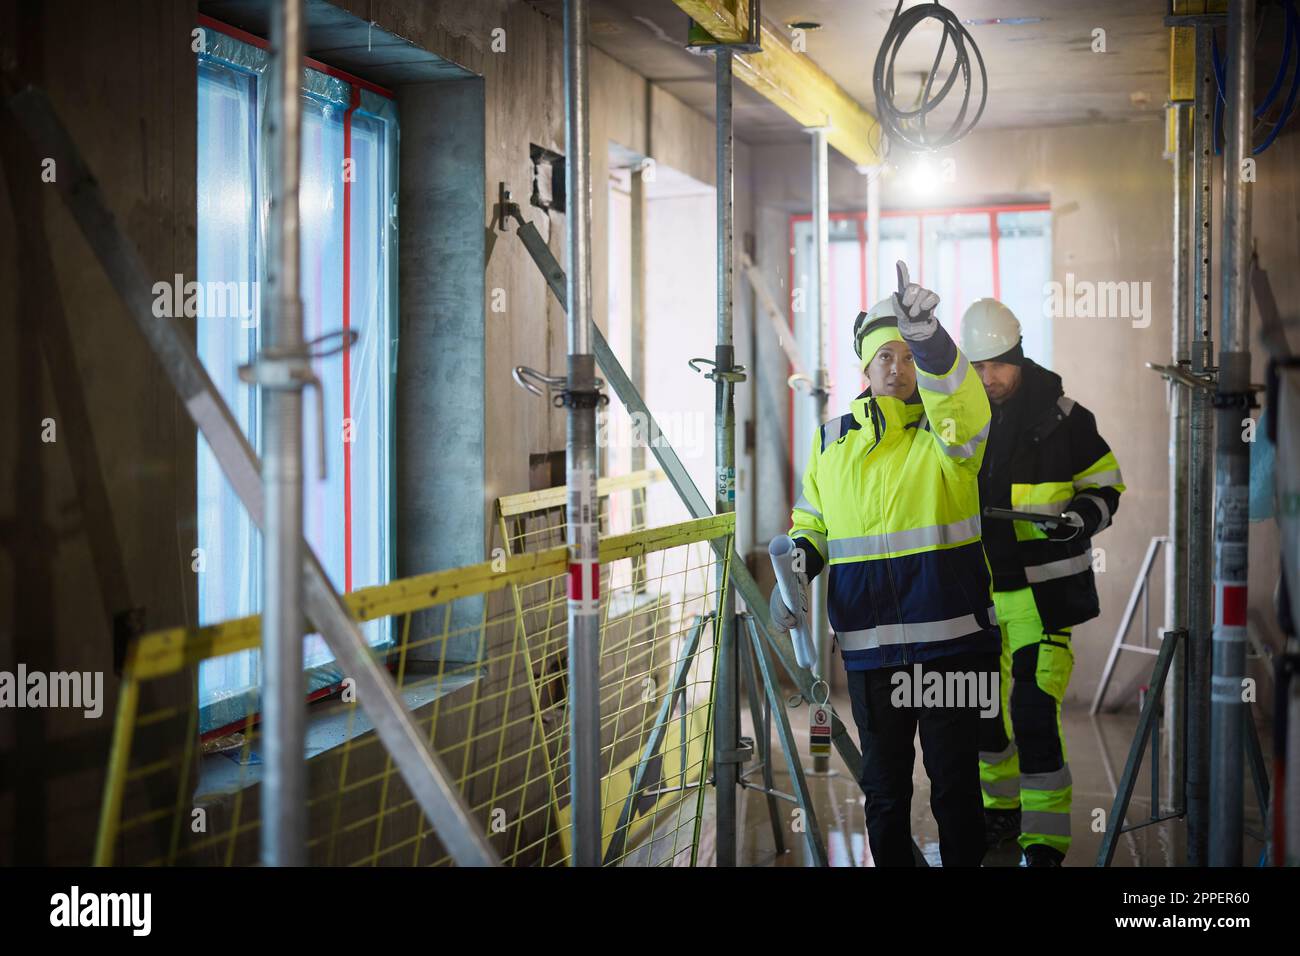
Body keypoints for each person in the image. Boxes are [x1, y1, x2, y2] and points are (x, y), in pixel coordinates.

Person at [770, 262, 999, 867]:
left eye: (907, 355)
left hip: (951, 647)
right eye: (885, 358)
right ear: (865, 370)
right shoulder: (829, 443)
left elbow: (966, 409)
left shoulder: (946, 436)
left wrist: (934, 343)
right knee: (885, 794)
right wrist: (797, 568)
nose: (897, 368)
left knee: (955, 788)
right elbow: (813, 524)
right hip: (870, 653)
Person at [960, 298, 1125, 867]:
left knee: (1032, 714)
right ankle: (998, 813)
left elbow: (1106, 485)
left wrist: (1081, 516)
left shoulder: (1066, 417)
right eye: (977, 368)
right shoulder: (961, 422)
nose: (988, 379)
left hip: (1042, 598)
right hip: (976, 601)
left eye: (998, 365)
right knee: (982, 715)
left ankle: (1046, 844)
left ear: (1020, 356)